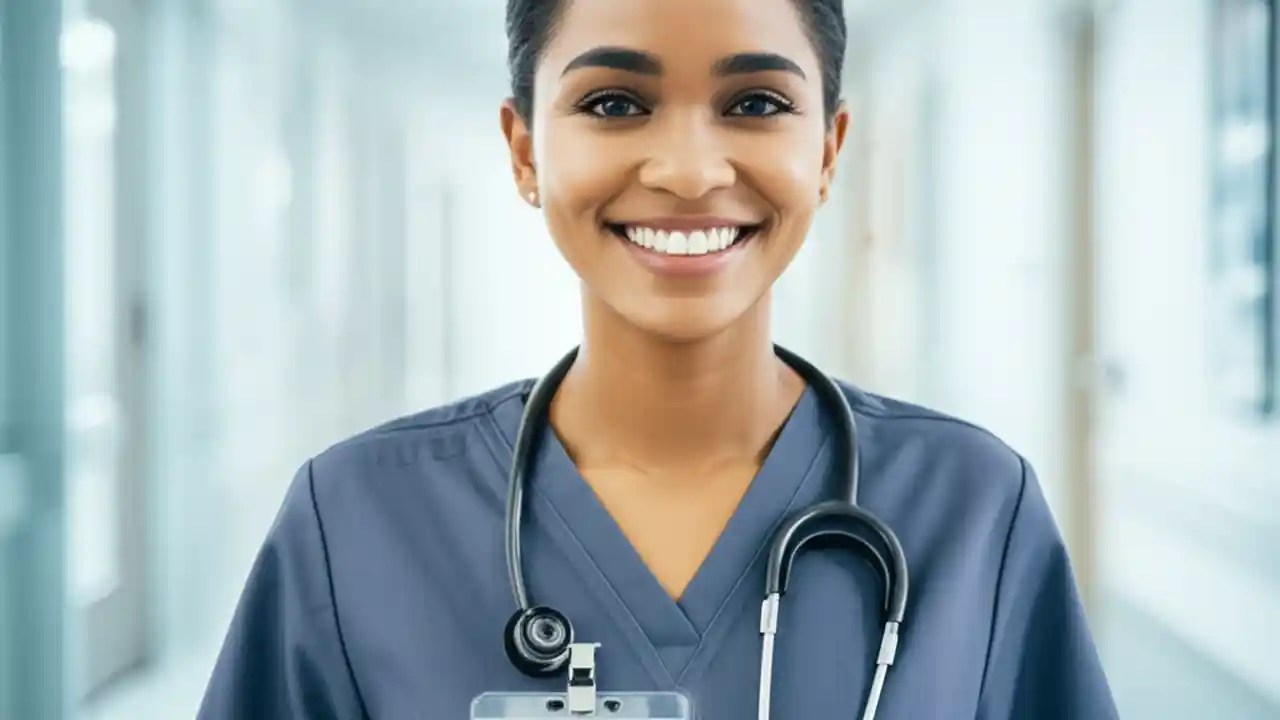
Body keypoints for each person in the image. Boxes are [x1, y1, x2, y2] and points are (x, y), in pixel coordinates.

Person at [197, 0, 1119, 717]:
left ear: (829, 150)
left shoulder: (973, 507)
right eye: (614, 103)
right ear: (524, 150)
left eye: (756, 103)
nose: (688, 169)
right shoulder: (357, 518)